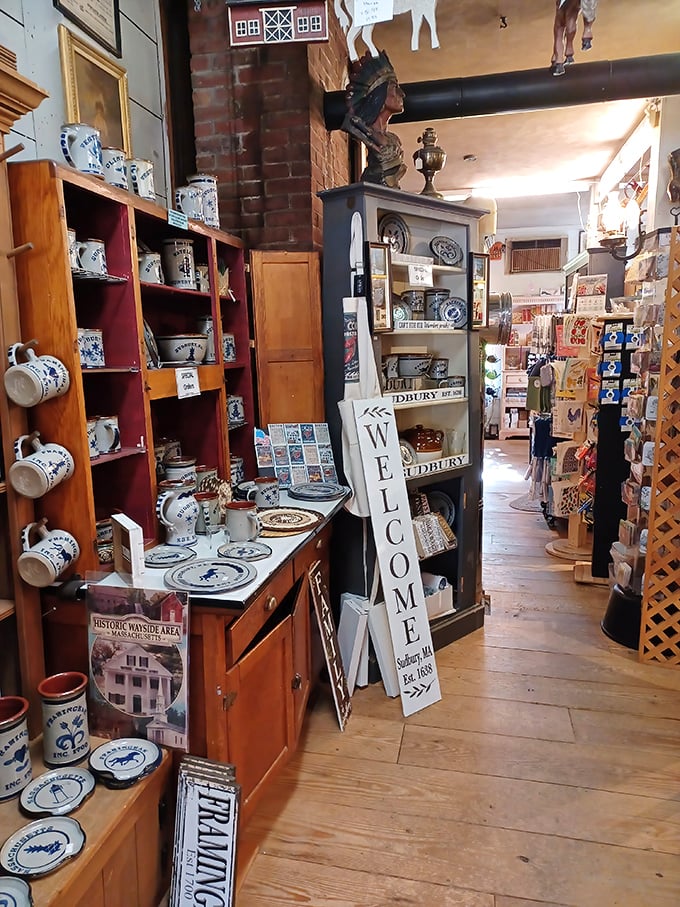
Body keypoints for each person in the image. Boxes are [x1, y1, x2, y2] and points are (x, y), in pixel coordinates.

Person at [342, 50, 406, 189]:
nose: (402, 94)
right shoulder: (361, 128)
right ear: (380, 94)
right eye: (395, 87)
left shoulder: (393, 139)